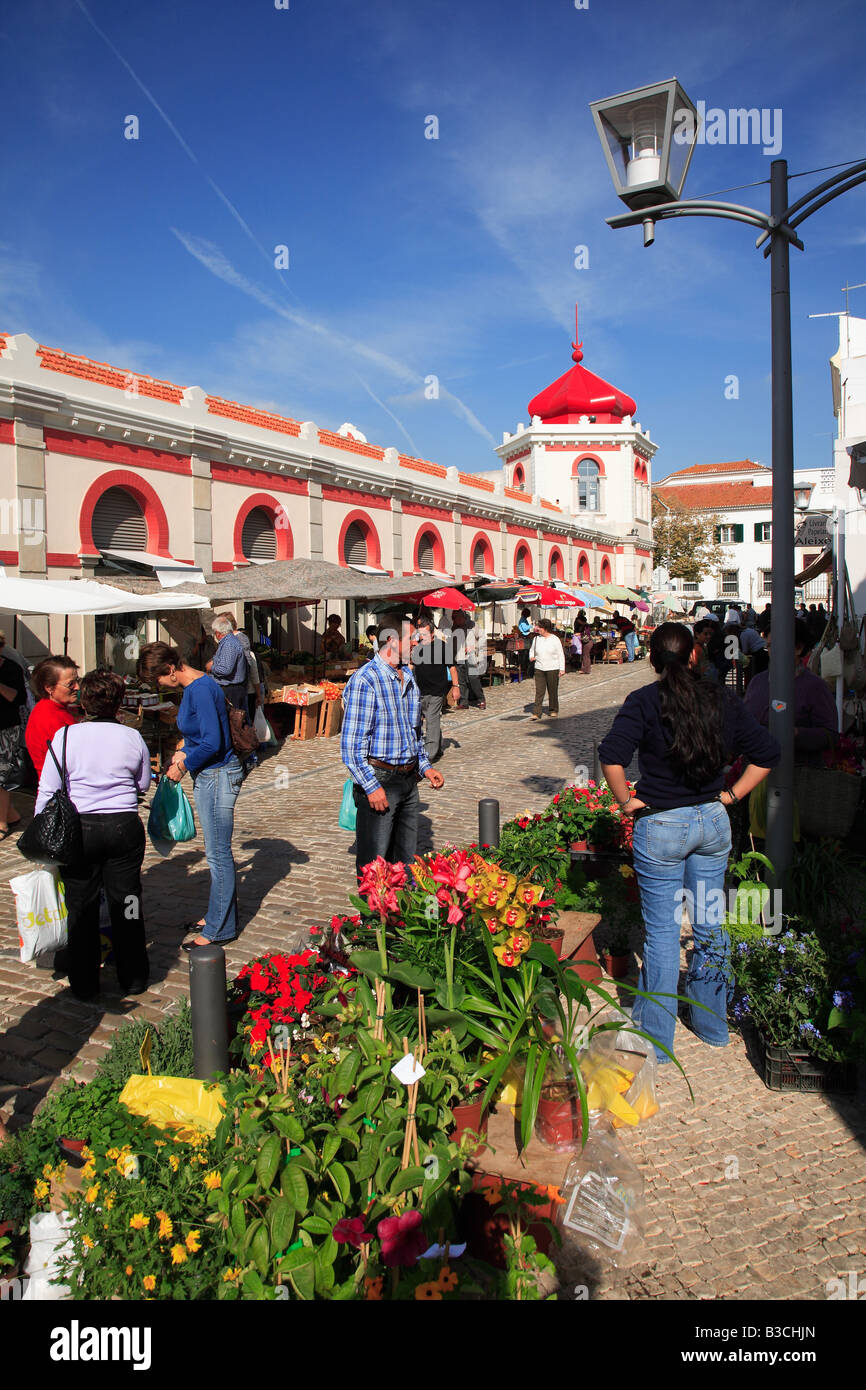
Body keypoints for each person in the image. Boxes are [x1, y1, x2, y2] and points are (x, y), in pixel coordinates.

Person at [598, 622, 780, 1062]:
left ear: (653, 660)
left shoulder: (643, 701)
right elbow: (767, 754)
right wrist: (732, 794)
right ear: (695, 655)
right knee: (710, 921)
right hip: (712, 822)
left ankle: (658, 1042)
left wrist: (626, 802)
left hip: (662, 823)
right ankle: (713, 1025)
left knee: (661, 934)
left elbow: (611, 757)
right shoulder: (721, 698)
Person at [37, 670, 151, 1000]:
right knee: (127, 901)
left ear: (84, 701)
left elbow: (48, 789)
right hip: (122, 828)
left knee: (81, 906)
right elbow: (142, 784)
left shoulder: (66, 737)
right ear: (118, 703)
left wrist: (43, 838)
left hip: (81, 830)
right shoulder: (132, 737)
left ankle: (84, 982)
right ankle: (133, 977)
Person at [138, 642, 244, 947]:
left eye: (157, 678)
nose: (158, 685)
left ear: (170, 670)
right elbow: (198, 733)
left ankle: (219, 929)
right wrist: (182, 749)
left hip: (217, 774)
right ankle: (218, 914)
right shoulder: (196, 686)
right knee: (217, 853)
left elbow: (213, 742)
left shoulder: (199, 688)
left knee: (217, 854)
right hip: (210, 773)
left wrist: (183, 765)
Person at [341, 620, 444, 877]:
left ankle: (400, 914)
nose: (416, 643)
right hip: (380, 779)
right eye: (411, 638)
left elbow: (414, 732)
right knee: (375, 864)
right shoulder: (366, 680)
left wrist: (425, 766)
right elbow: (351, 746)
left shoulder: (408, 676)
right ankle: (373, 916)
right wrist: (371, 786)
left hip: (409, 779)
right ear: (391, 641)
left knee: (405, 862)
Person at [743, 619, 837, 766]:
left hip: (798, 775)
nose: (772, 651)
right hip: (755, 773)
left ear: (798, 648)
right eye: (769, 646)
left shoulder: (815, 687)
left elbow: (830, 735)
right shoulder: (757, 682)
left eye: (778, 645)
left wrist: (796, 734)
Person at [411, 616, 459, 763]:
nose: (422, 637)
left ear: (432, 634)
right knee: (431, 720)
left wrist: (456, 687)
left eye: (425, 634)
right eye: (420, 634)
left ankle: (429, 756)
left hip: (438, 690)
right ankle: (437, 748)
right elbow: (412, 666)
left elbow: (452, 667)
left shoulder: (442, 646)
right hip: (421, 691)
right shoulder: (417, 647)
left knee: (431, 719)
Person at [25, 657, 81, 780]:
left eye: (77, 681)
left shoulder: (52, 709)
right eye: (71, 684)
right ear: (49, 688)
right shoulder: (50, 718)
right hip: (61, 789)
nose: (77, 687)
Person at [0, 635, 27, 835]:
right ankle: (11, 815)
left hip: (6, 729)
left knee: (1, 777)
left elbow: (17, 698)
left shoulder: (11, 668)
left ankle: (1, 824)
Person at [215, 612, 263, 722]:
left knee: (242, 724)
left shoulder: (234, 644)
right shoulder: (235, 645)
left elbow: (252, 671)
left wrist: (258, 693)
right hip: (242, 691)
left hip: (242, 691)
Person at [207, 614, 248, 711]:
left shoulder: (229, 644)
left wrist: (211, 667)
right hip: (231, 689)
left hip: (230, 690)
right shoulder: (228, 642)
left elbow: (225, 670)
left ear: (218, 633)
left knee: (232, 722)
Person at [529, 618, 565, 720]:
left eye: (539, 627)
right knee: (539, 691)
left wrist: (562, 669)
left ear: (545, 628)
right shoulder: (536, 639)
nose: (537, 629)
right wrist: (531, 656)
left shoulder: (555, 639)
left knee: (552, 690)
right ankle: (536, 712)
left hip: (552, 668)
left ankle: (553, 709)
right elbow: (532, 650)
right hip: (539, 668)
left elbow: (560, 655)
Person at [452, 612, 486, 710]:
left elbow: (482, 638)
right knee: (461, 680)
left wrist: (474, 647)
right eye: (455, 619)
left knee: (473, 678)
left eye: (457, 619)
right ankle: (464, 702)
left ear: (462, 617)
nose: (456, 621)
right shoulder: (454, 627)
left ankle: (481, 699)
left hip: (470, 656)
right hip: (459, 657)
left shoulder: (473, 625)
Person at [517, 608, 533, 680]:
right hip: (524, 638)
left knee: (526, 654)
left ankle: (526, 669)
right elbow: (525, 628)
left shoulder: (524, 619)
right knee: (525, 654)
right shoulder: (522, 620)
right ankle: (524, 669)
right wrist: (531, 625)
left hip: (526, 638)